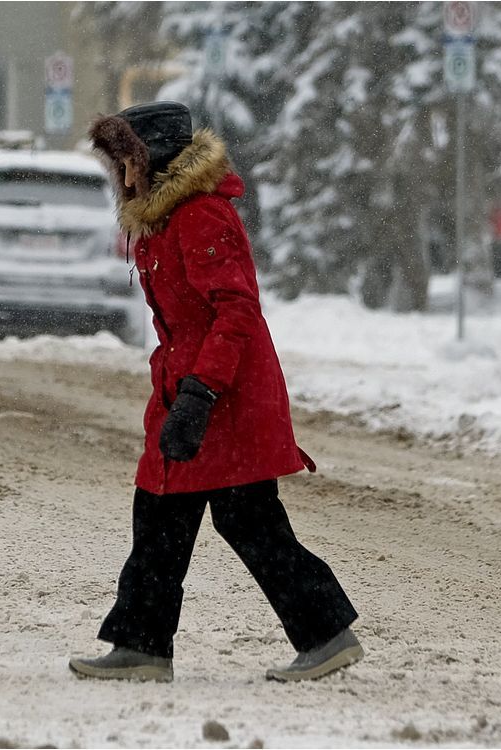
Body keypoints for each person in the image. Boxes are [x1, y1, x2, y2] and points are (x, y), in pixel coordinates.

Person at [69, 101, 362, 683]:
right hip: (189, 389)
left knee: (249, 521)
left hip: (226, 398)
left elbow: (236, 313)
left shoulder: (201, 215)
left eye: (126, 162)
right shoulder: (162, 220)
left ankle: (326, 634)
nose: (120, 176)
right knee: (158, 515)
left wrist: (201, 395)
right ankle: (142, 645)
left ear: (151, 159)